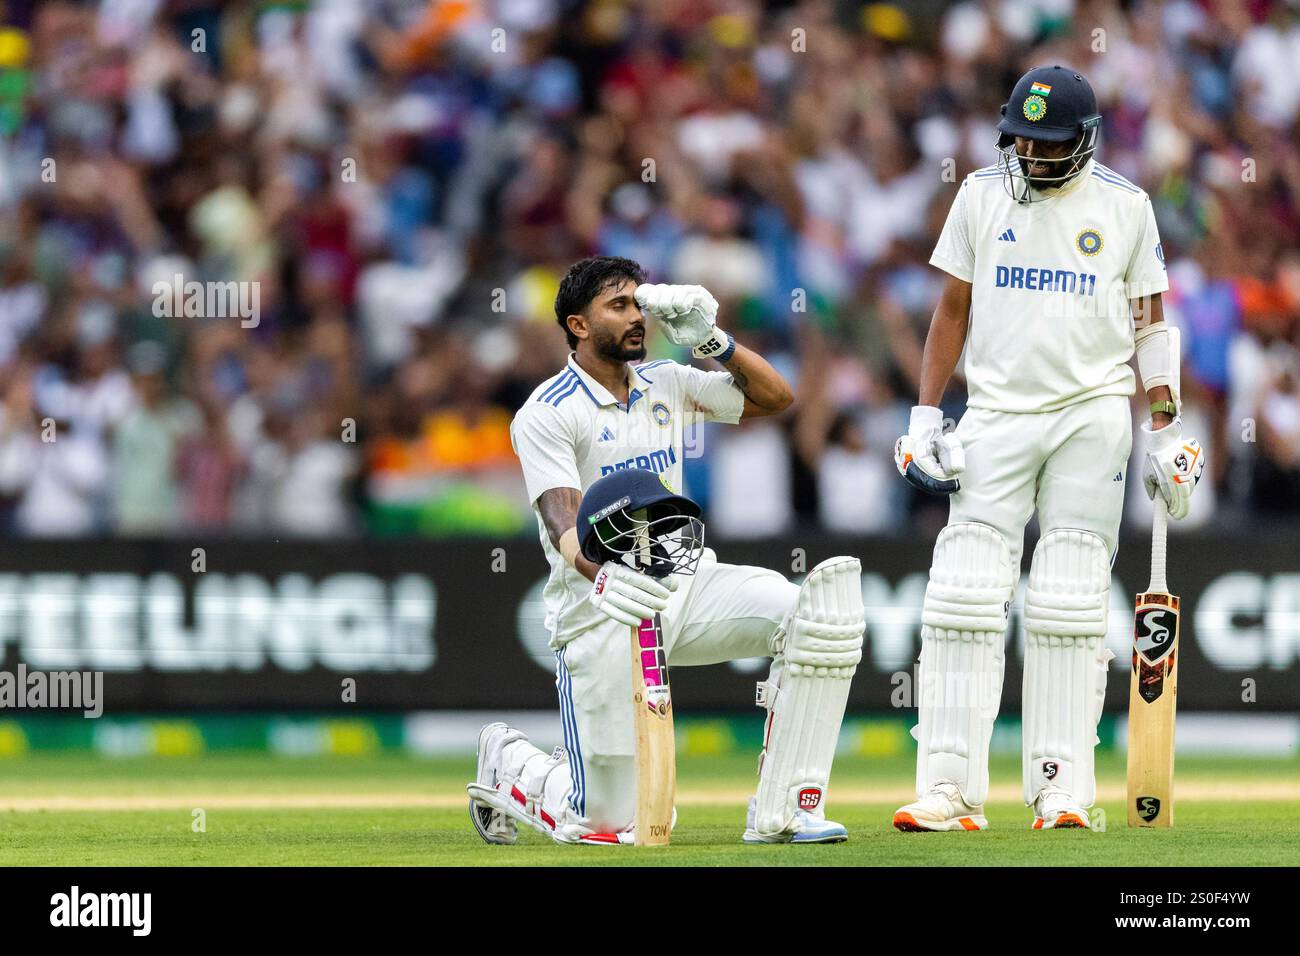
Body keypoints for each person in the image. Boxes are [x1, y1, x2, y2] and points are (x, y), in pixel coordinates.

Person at [891, 66, 1205, 832]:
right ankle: (949, 788)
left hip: (1089, 412)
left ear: (1085, 142)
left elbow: (1151, 321)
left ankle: (1061, 787)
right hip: (995, 411)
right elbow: (951, 309)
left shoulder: (1126, 207)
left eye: (1050, 145)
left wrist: (1164, 424)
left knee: (1068, 599)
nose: (1033, 157)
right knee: (962, 595)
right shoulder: (978, 195)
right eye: (1023, 142)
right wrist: (925, 415)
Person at [466, 255, 864, 845]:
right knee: (603, 823)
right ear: (578, 325)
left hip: (687, 583)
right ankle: (511, 761)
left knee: (812, 615)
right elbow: (561, 519)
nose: (638, 316)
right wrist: (600, 574)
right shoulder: (548, 411)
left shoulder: (666, 381)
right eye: (619, 305)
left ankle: (783, 809)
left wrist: (712, 340)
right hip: (603, 609)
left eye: (640, 303)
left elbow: (778, 398)